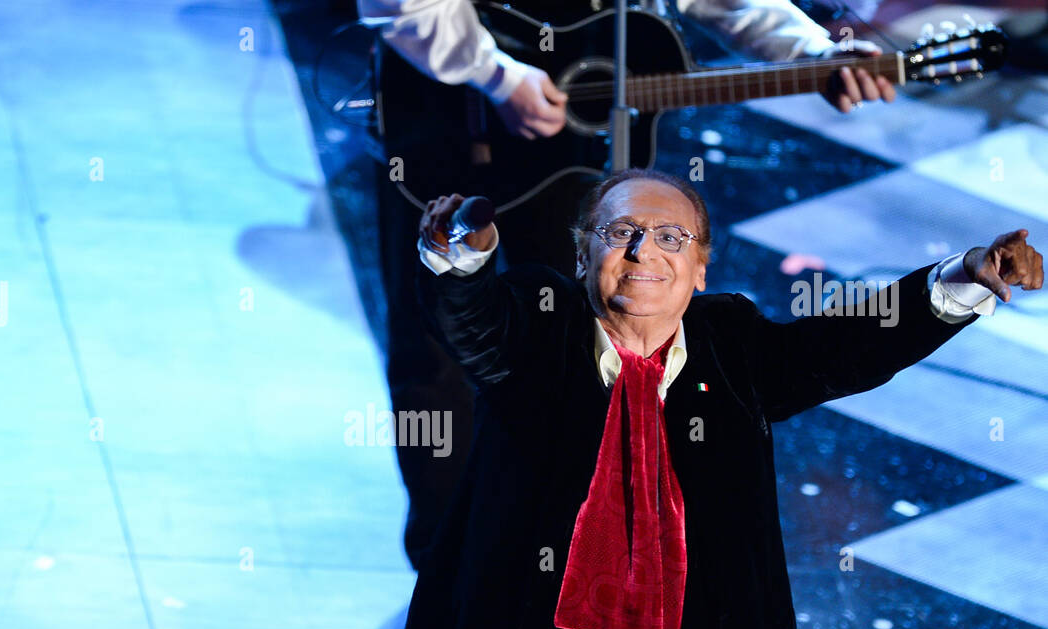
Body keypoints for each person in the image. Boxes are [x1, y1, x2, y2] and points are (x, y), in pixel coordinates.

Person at [384, 168, 1042, 629]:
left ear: (699, 269)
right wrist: (462, 256)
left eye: (672, 237)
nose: (644, 251)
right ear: (583, 257)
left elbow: (849, 349)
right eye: (621, 233)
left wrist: (967, 276)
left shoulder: (733, 349)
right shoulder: (538, 328)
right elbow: (472, 316)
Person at [359, 0, 898, 569]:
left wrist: (810, 54)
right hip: (444, 113)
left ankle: (563, 572)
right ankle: (442, 584)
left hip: (575, 147)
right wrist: (497, 74)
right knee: (436, 355)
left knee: (584, 346)